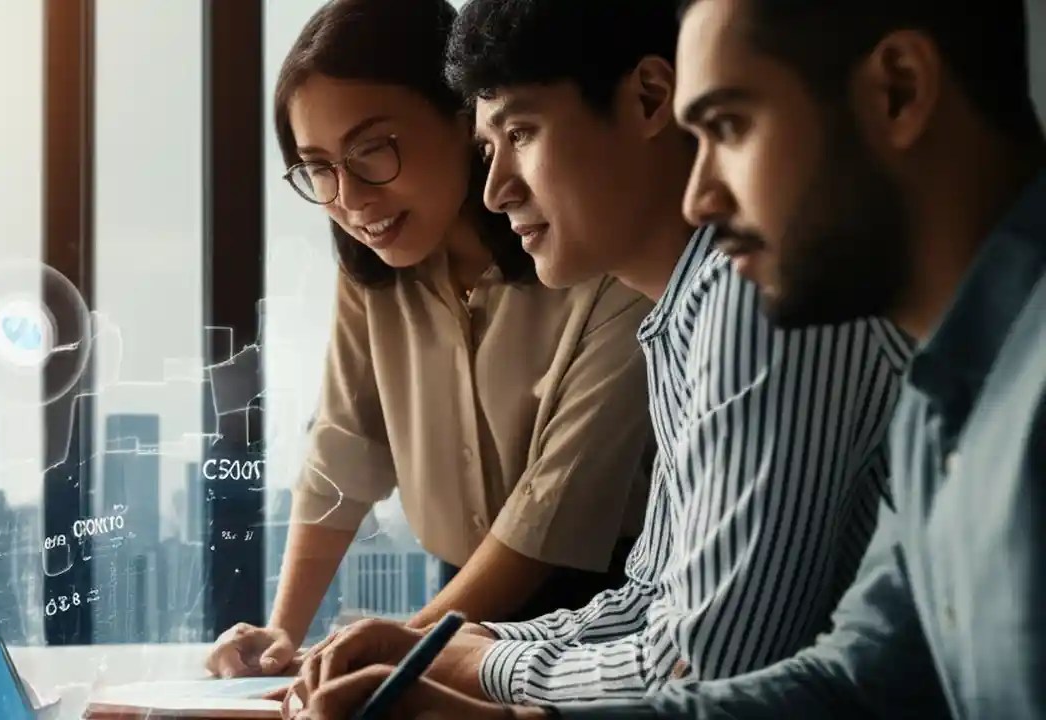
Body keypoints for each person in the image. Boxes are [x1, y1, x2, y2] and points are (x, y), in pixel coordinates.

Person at [290, 0, 1046, 717]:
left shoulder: (775, 309)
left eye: (729, 127)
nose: (702, 193)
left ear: (898, 91)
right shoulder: (939, 393)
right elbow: (855, 680)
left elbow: (707, 659)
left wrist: (468, 660)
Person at [206, 0, 655, 679]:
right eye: (319, 167)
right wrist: (282, 635)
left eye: (373, 151)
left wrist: (388, 656)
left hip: (596, 613)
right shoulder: (375, 270)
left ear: (465, 120)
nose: (351, 199)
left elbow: (551, 507)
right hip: (454, 599)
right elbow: (345, 444)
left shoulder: (601, 258)